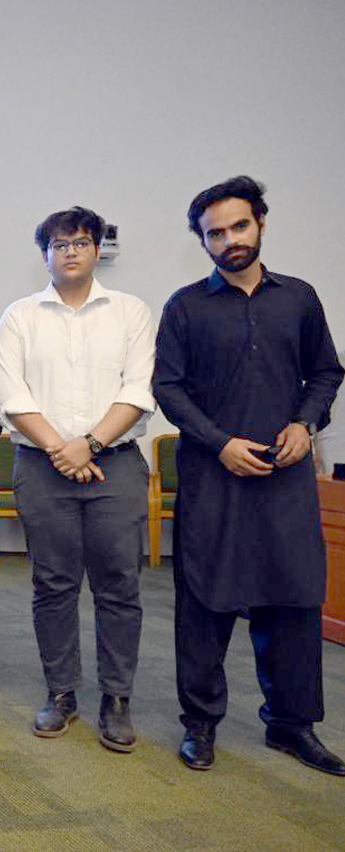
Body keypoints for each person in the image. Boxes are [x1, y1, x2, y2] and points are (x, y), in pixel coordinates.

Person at [153, 176, 345, 775]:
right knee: (204, 605)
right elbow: (168, 389)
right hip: (214, 480)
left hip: (285, 479)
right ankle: (201, 725)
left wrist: (304, 423)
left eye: (239, 226)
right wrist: (219, 443)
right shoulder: (185, 306)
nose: (229, 239)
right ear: (202, 242)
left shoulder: (300, 298)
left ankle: (291, 726)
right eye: (215, 233)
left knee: (292, 602)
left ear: (260, 222)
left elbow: (325, 372)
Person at [0, 207, 155, 752]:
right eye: (59, 245)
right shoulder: (20, 316)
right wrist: (64, 450)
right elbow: (11, 397)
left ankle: (117, 699)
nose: (71, 252)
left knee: (118, 586)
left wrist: (91, 444)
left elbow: (138, 390)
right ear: (45, 254)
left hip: (115, 464)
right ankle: (61, 693)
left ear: (97, 249)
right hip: (44, 467)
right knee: (53, 584)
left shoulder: (131, 312)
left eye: (81, 242)